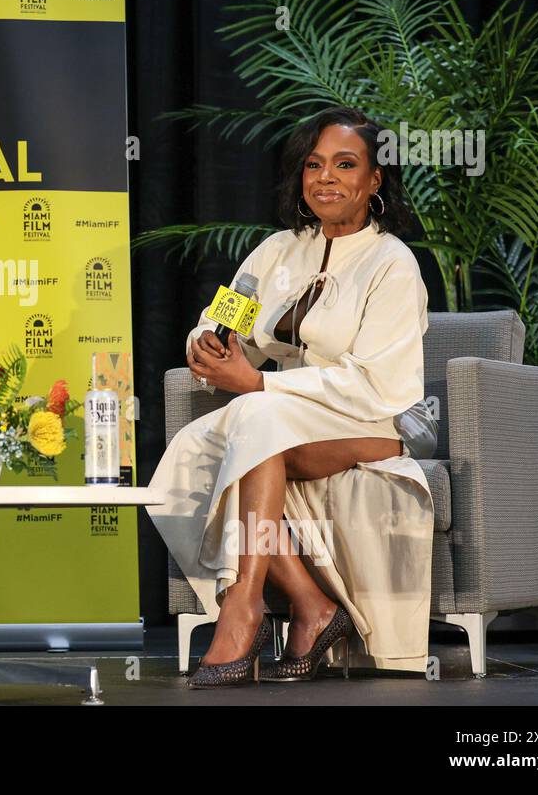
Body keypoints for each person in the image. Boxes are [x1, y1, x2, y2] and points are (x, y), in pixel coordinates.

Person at [148, 106, 437, 687]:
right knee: (193, 451)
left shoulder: (392, 265)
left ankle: (243, 606)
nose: (325, 177)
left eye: (345, 164)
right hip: (277, 418)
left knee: (253, 416)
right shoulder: (277, 252)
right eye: (314, 165)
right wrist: (206, 345)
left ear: (374, 180)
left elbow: (379, 383)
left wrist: (259, 383)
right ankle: (311, 604)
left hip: (367, 423)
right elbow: (223, 317)